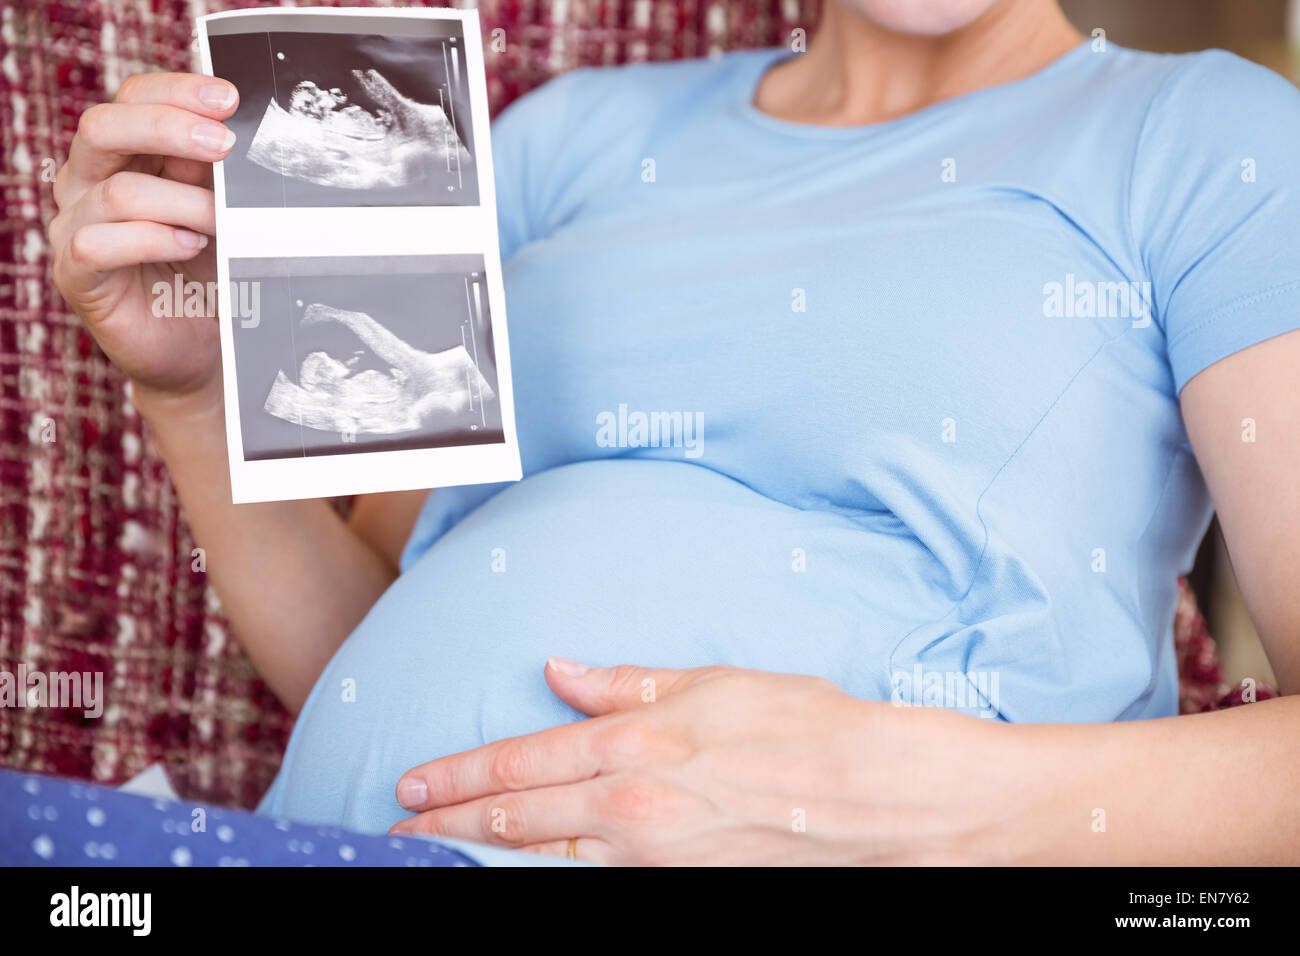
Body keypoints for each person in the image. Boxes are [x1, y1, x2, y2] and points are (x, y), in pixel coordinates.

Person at [48, 0, 1300, 865]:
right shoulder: (562, 140)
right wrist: (197, 396)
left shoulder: (1210, 142)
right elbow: (365, 661)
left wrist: (889, 797)